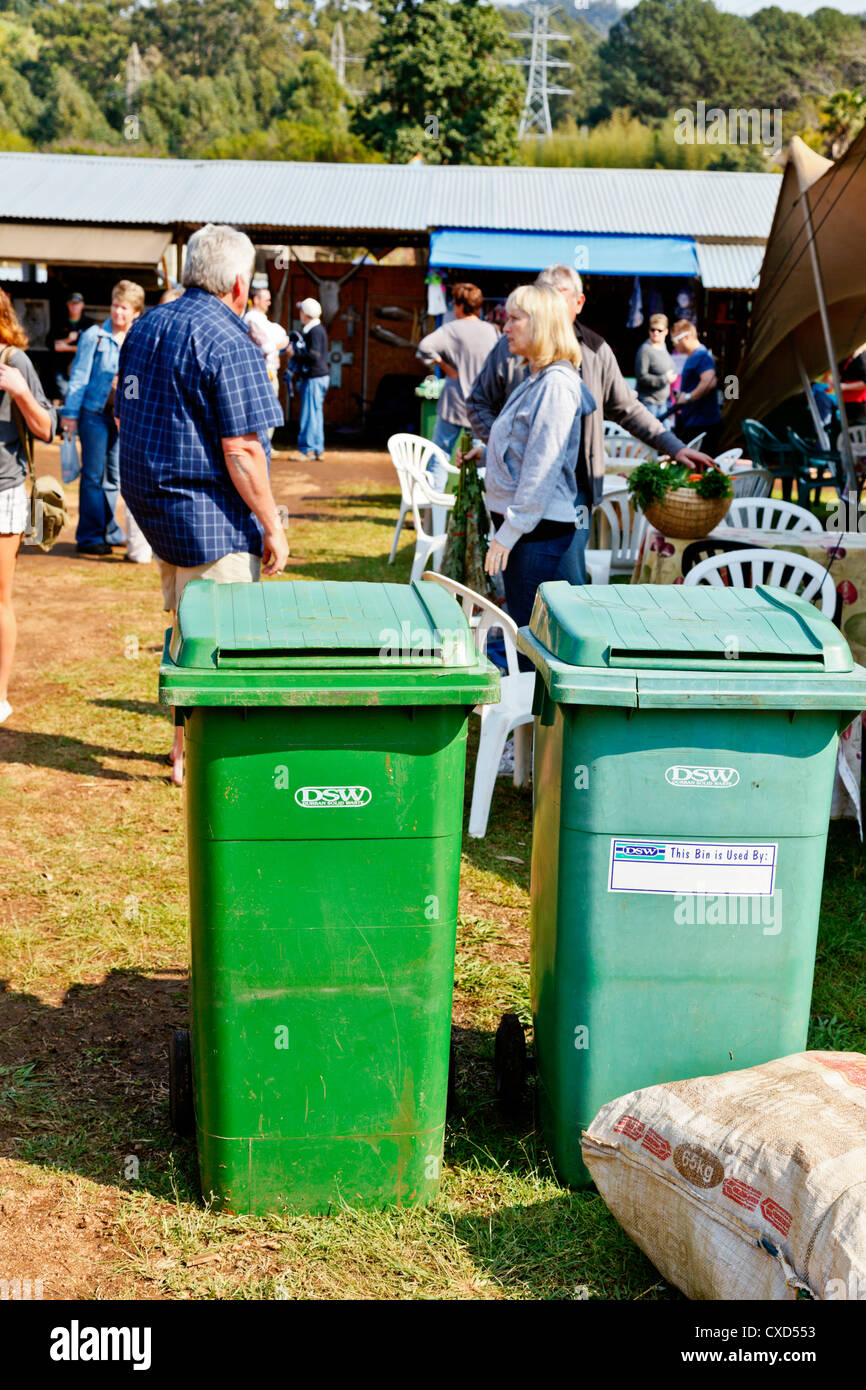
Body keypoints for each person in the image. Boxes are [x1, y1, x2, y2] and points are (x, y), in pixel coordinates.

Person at [116, 222, 286, 786]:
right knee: (220, 643)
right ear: (240, 283)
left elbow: (123, 413)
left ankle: (183, 746)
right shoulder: (229, 339)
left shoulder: (145, 325)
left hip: (157, 512)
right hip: (207, 520)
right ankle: (209, 759)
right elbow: (241, 450)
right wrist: (272, 525)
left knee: (184, 632)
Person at [467, 265, 714, 582]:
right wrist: (503, 448)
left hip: (575, 490)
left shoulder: (595, 351)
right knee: (520, 580)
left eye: (559, 298)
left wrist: (674, 446)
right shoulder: (510, 347)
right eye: (543, 298)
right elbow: (477, 402)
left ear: (578, 303)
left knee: (565, 579)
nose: (550, 306)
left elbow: (626, 407)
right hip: (518, 489)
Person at [483, 284, 595, 661]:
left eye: (515, 318)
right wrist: (489, 451)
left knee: (534, 650)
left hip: (537, 534)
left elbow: (543, 467)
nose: (506, 327)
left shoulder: (556, 385)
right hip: (530, 532)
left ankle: (532, 719)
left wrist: (508, 532)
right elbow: (528, 444)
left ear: (543, 324)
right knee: (527, 636)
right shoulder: (538, 379)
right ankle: (526, 720)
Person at [0, 290, 57, 725]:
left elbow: (46, 429)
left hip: (4, 491)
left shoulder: (14, 361)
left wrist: (20, 393)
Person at [62, 280, 146, 556]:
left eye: (124, 308)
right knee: (93, 476)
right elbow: (79, 377)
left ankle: (109, 530)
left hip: (122, 417)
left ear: (136, 311)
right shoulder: (93, 336)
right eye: (115, 306)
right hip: (94, 415)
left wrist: (131, 407)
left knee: (115, 477)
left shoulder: (138, 337)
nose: (118, 313)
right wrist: (71, 414)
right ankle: (89, 536)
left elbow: (135, 379)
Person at [416, 282, 499, 489]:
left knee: (440, 455)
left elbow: (424, 347)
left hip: (454, 404)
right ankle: (480, 508)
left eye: (454, 303)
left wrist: (444, 366)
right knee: (482, 459)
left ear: (460, 305)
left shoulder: (451, 329)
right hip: (483, 406)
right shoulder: (493, 332)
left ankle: (433, 510)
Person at [670, 318, 722, 456]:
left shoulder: (701, 355)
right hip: (695, 422)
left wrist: (687, 397)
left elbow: (710, 382)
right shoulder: (695, 355)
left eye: (675, 340)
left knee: (698, 470)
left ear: (687, 337)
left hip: (703, 424)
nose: (674, 345)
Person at [286, 297, 329, 461]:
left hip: (314, 378)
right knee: (316, 414)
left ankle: (307, 450)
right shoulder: (315, 329)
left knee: (309, 414)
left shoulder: (314, 330)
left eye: (301, 311)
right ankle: (317, 448)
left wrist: (294, 354)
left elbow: (314, 355)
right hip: (318, 377)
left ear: (305, 314)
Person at [51, 291, 93, 403]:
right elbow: (52, 345)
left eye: (77, 303)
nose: (74, 306)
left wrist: (66, 347)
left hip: (82, 369)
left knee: (80, 399)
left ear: (82, 305)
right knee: (66, 397)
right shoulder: (59, 322)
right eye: (72, 303)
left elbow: (90, 348)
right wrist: (68, 340)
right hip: (62, 369)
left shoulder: (89, 324)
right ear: (67, 304)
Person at [635, 313, 676, 421]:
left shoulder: (663, 346)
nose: (655, 333)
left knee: (666, 435)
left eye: (659, 330)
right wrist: (664, 379)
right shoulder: (645, 349)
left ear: (666, 331)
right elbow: (641, 377)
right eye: (652, 330)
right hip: (648, 402)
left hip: (662, 402)